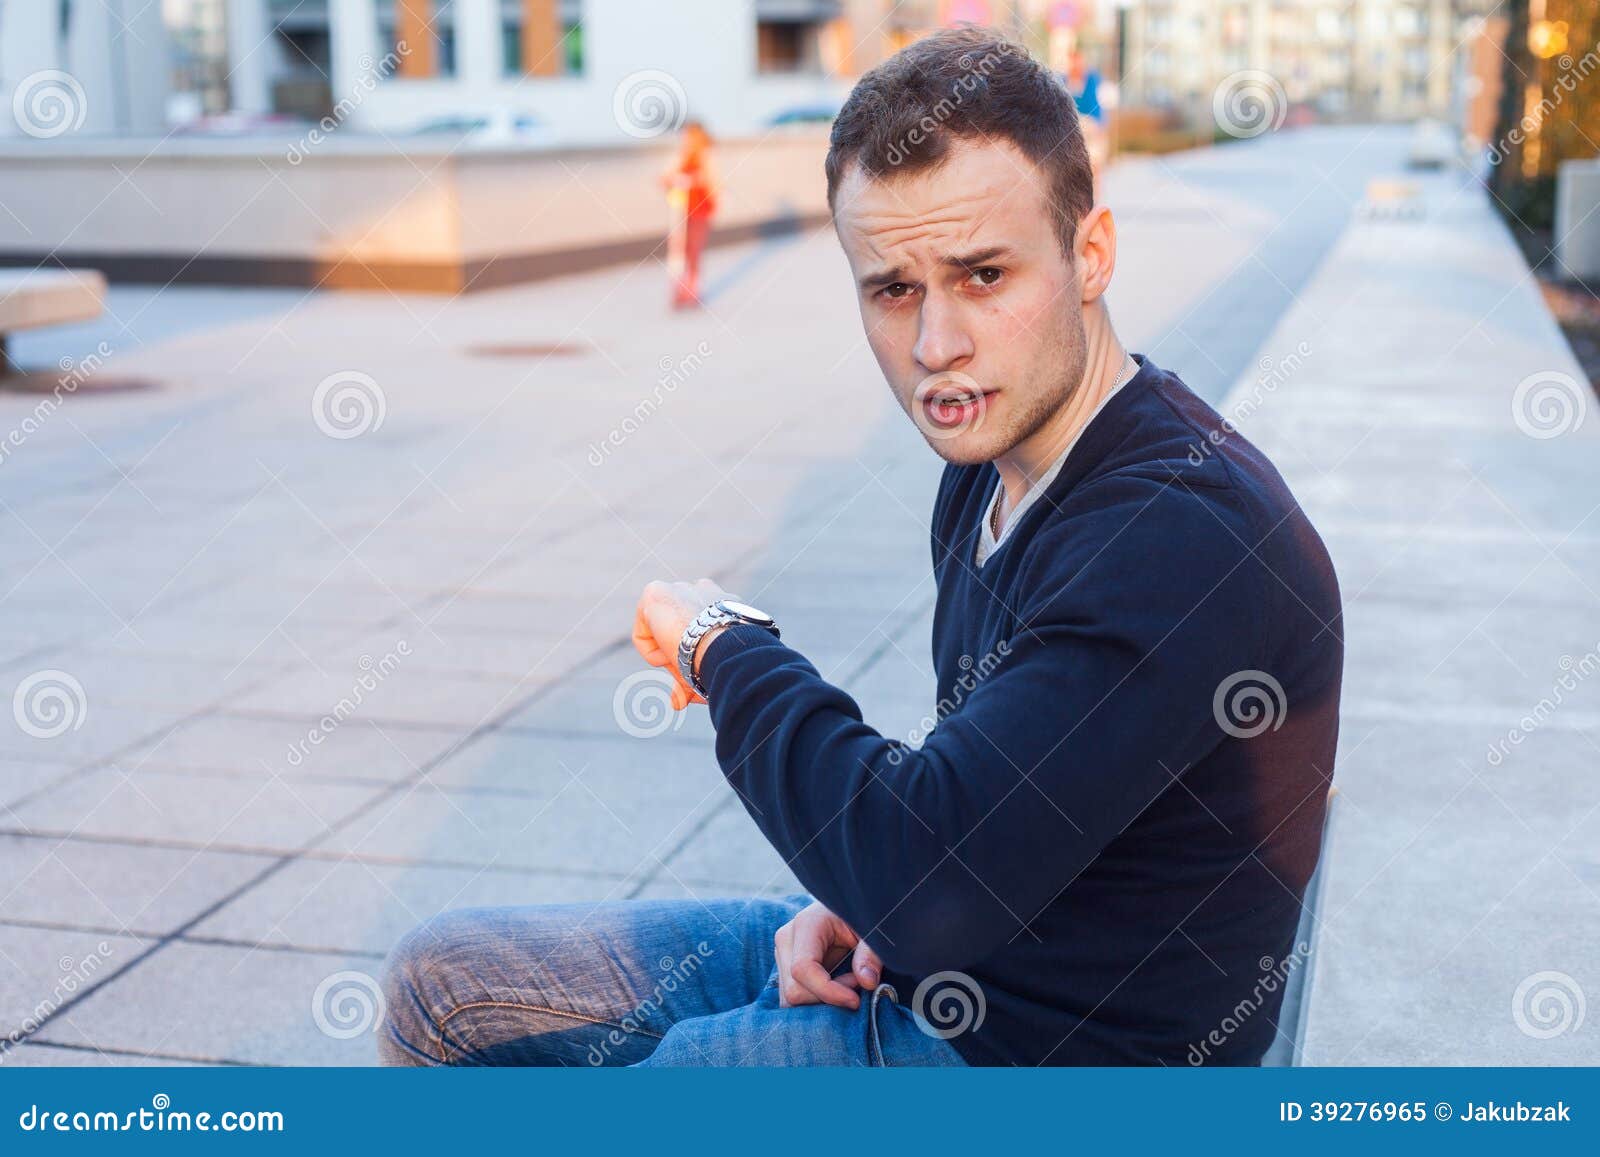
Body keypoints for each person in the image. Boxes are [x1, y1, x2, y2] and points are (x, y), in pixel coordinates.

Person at [380, 27, 1342, 1068]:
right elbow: (989, 809)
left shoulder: (1180, 532)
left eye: (983, 274)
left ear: (1091, 251)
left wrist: (723, 645)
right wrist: (869, 901)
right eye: (893, 288)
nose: (935, 346)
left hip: (1039, 1057)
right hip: (945, 956)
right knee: (442, 981)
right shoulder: (987, 464)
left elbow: (935, 871)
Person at [663, 120, 717, 308]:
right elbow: (666, 177)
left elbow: (713, 180)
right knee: (680, 250)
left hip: (700, 210)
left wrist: (693, 181)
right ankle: (680, 288)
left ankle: (693, 289)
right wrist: (671, 180)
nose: (687, 140)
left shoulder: (706, 156)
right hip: (681, 211)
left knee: (694, 251)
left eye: (691, 136)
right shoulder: (682, 156)